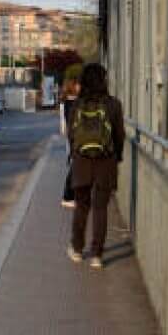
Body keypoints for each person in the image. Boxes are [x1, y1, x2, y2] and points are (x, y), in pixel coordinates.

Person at [66, 63, 125, 268]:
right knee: (100, 208)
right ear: (103, 80)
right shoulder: (113, 105)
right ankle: (97, 256)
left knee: (81, 207)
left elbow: (71, 134)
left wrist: (76, 153)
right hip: (105, 162)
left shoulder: (77, 105)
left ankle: (77, 249)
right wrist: (117, 156)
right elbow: (119, 135)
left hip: (82, 162)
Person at [57, 73, 82, 208]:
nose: (80, 87)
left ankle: (72, 196)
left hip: (73, 138)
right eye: (78, 85)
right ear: (73, 87)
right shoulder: (72, 103)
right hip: (75, 138)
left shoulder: (69, 102)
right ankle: (67, 197)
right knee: (75, 167)